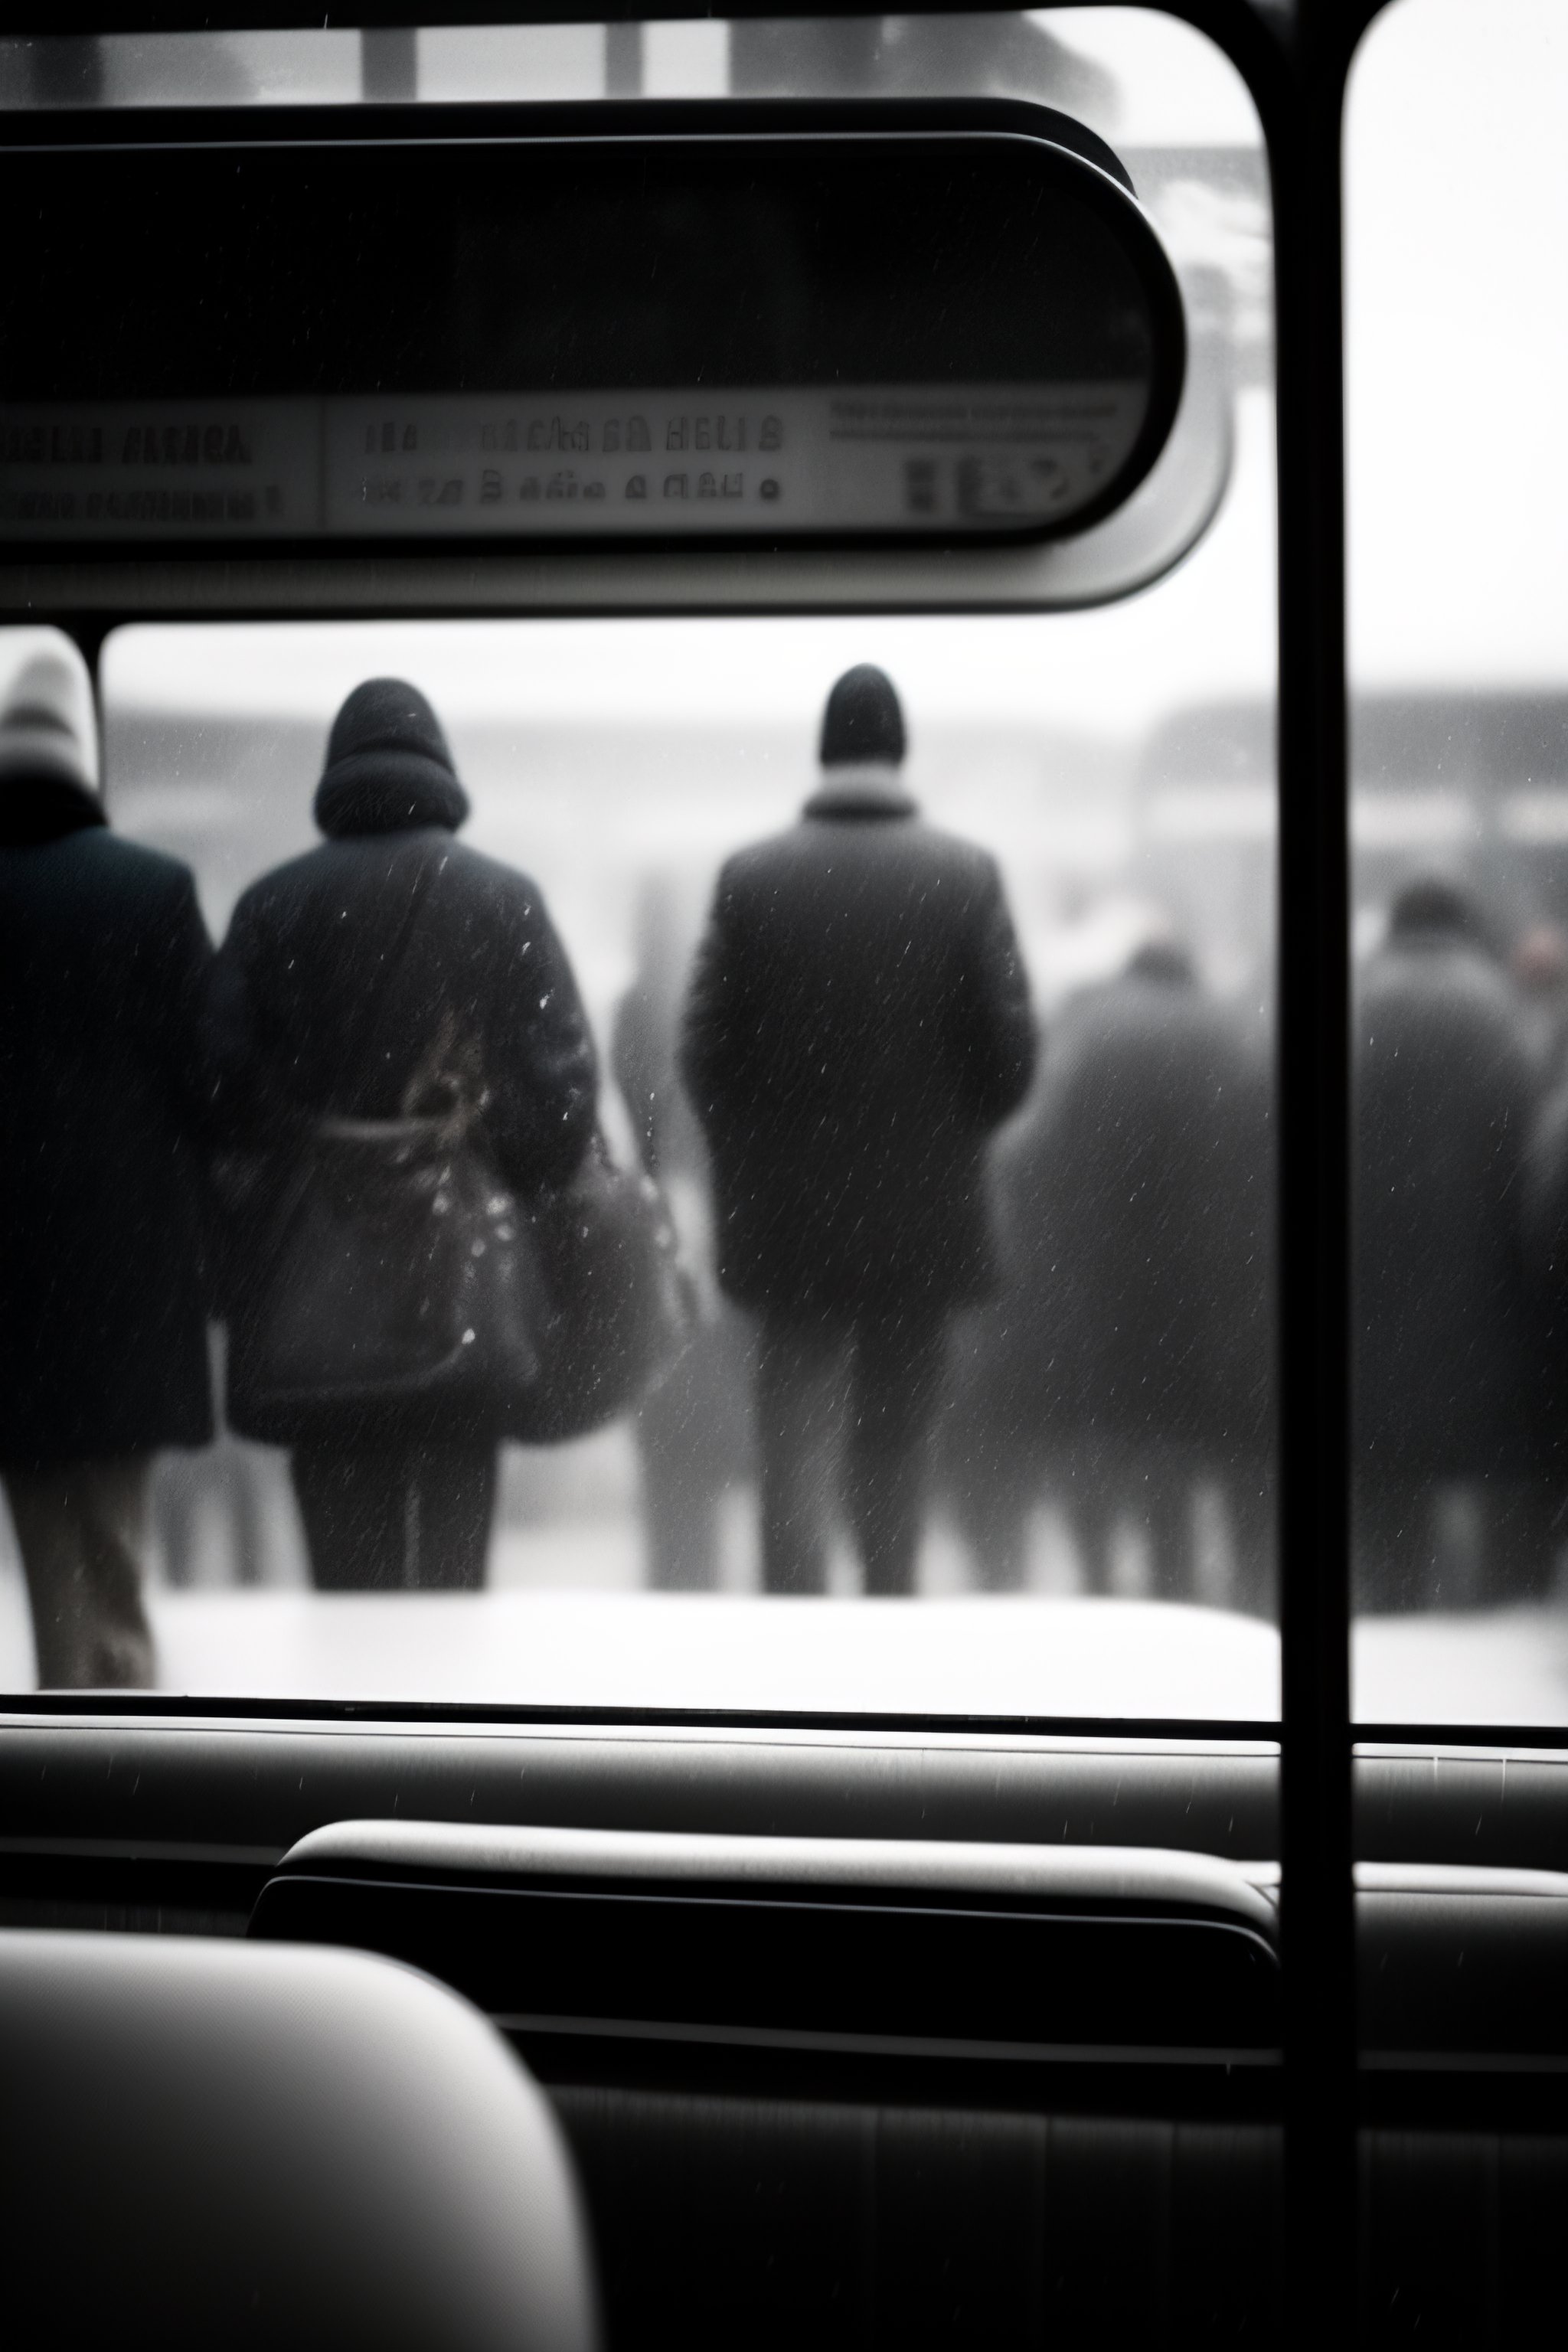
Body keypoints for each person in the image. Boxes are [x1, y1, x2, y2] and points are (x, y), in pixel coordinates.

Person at [208, 678, 597, 1591]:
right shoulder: (505, 901)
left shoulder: (272, 909)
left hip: (318, 1307)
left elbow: (215, 1092)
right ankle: (445, 1732)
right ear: (442, 774)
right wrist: (481, 1148)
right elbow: (562, 1108)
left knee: (349, 1593)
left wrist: (307, 1138)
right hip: (460, 1299)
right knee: (451, 1591)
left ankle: (353, 1725)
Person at [681, 664, 1035, 1595]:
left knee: (791, 1433)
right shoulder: (964, 876)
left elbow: (703, 1057)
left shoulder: (750, 879)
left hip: (789, 1220)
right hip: (922, 1221)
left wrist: (757, 1156)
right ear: (898, 750)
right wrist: (940, 1139)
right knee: (896, 1440)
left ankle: (794, 1643)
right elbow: (1010, 1060)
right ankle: (888, 1627)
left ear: (824, 753)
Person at [0, 639, 217, 1685]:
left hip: (11, 1281)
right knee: (119, 1546)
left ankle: (62, 1749)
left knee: (46, 1544)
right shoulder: (155, 892)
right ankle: (131, 1751)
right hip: (126, 1278)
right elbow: (217, 1082)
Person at [949, 940, 1274, 1606]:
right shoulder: (1235, 1037)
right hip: (1204, 1291)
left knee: (1103, 1448)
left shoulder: (1082, 1035)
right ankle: (1185, 1591)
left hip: (1096, 1289)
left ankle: (1101, 1587)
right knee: (1184, 1450)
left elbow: (1020, 1157)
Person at [1355, 879, 1550, 1608]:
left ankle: (1392, 1619)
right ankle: (1490, 1620)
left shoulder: (1354, 1002)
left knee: (1386, 1499)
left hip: (1369, 1303)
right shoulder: (1502, 1012)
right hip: (1485, 1301)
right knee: (1492, 1494)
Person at [611, 875, 753, 1589]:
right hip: (720, 1237)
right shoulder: (718, 1004)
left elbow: (627, 1125)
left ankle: (675, 1582)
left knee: (666, 1432)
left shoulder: (634, 1006)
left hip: (650, 1239)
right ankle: (713, 1580)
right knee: (718, 1414)